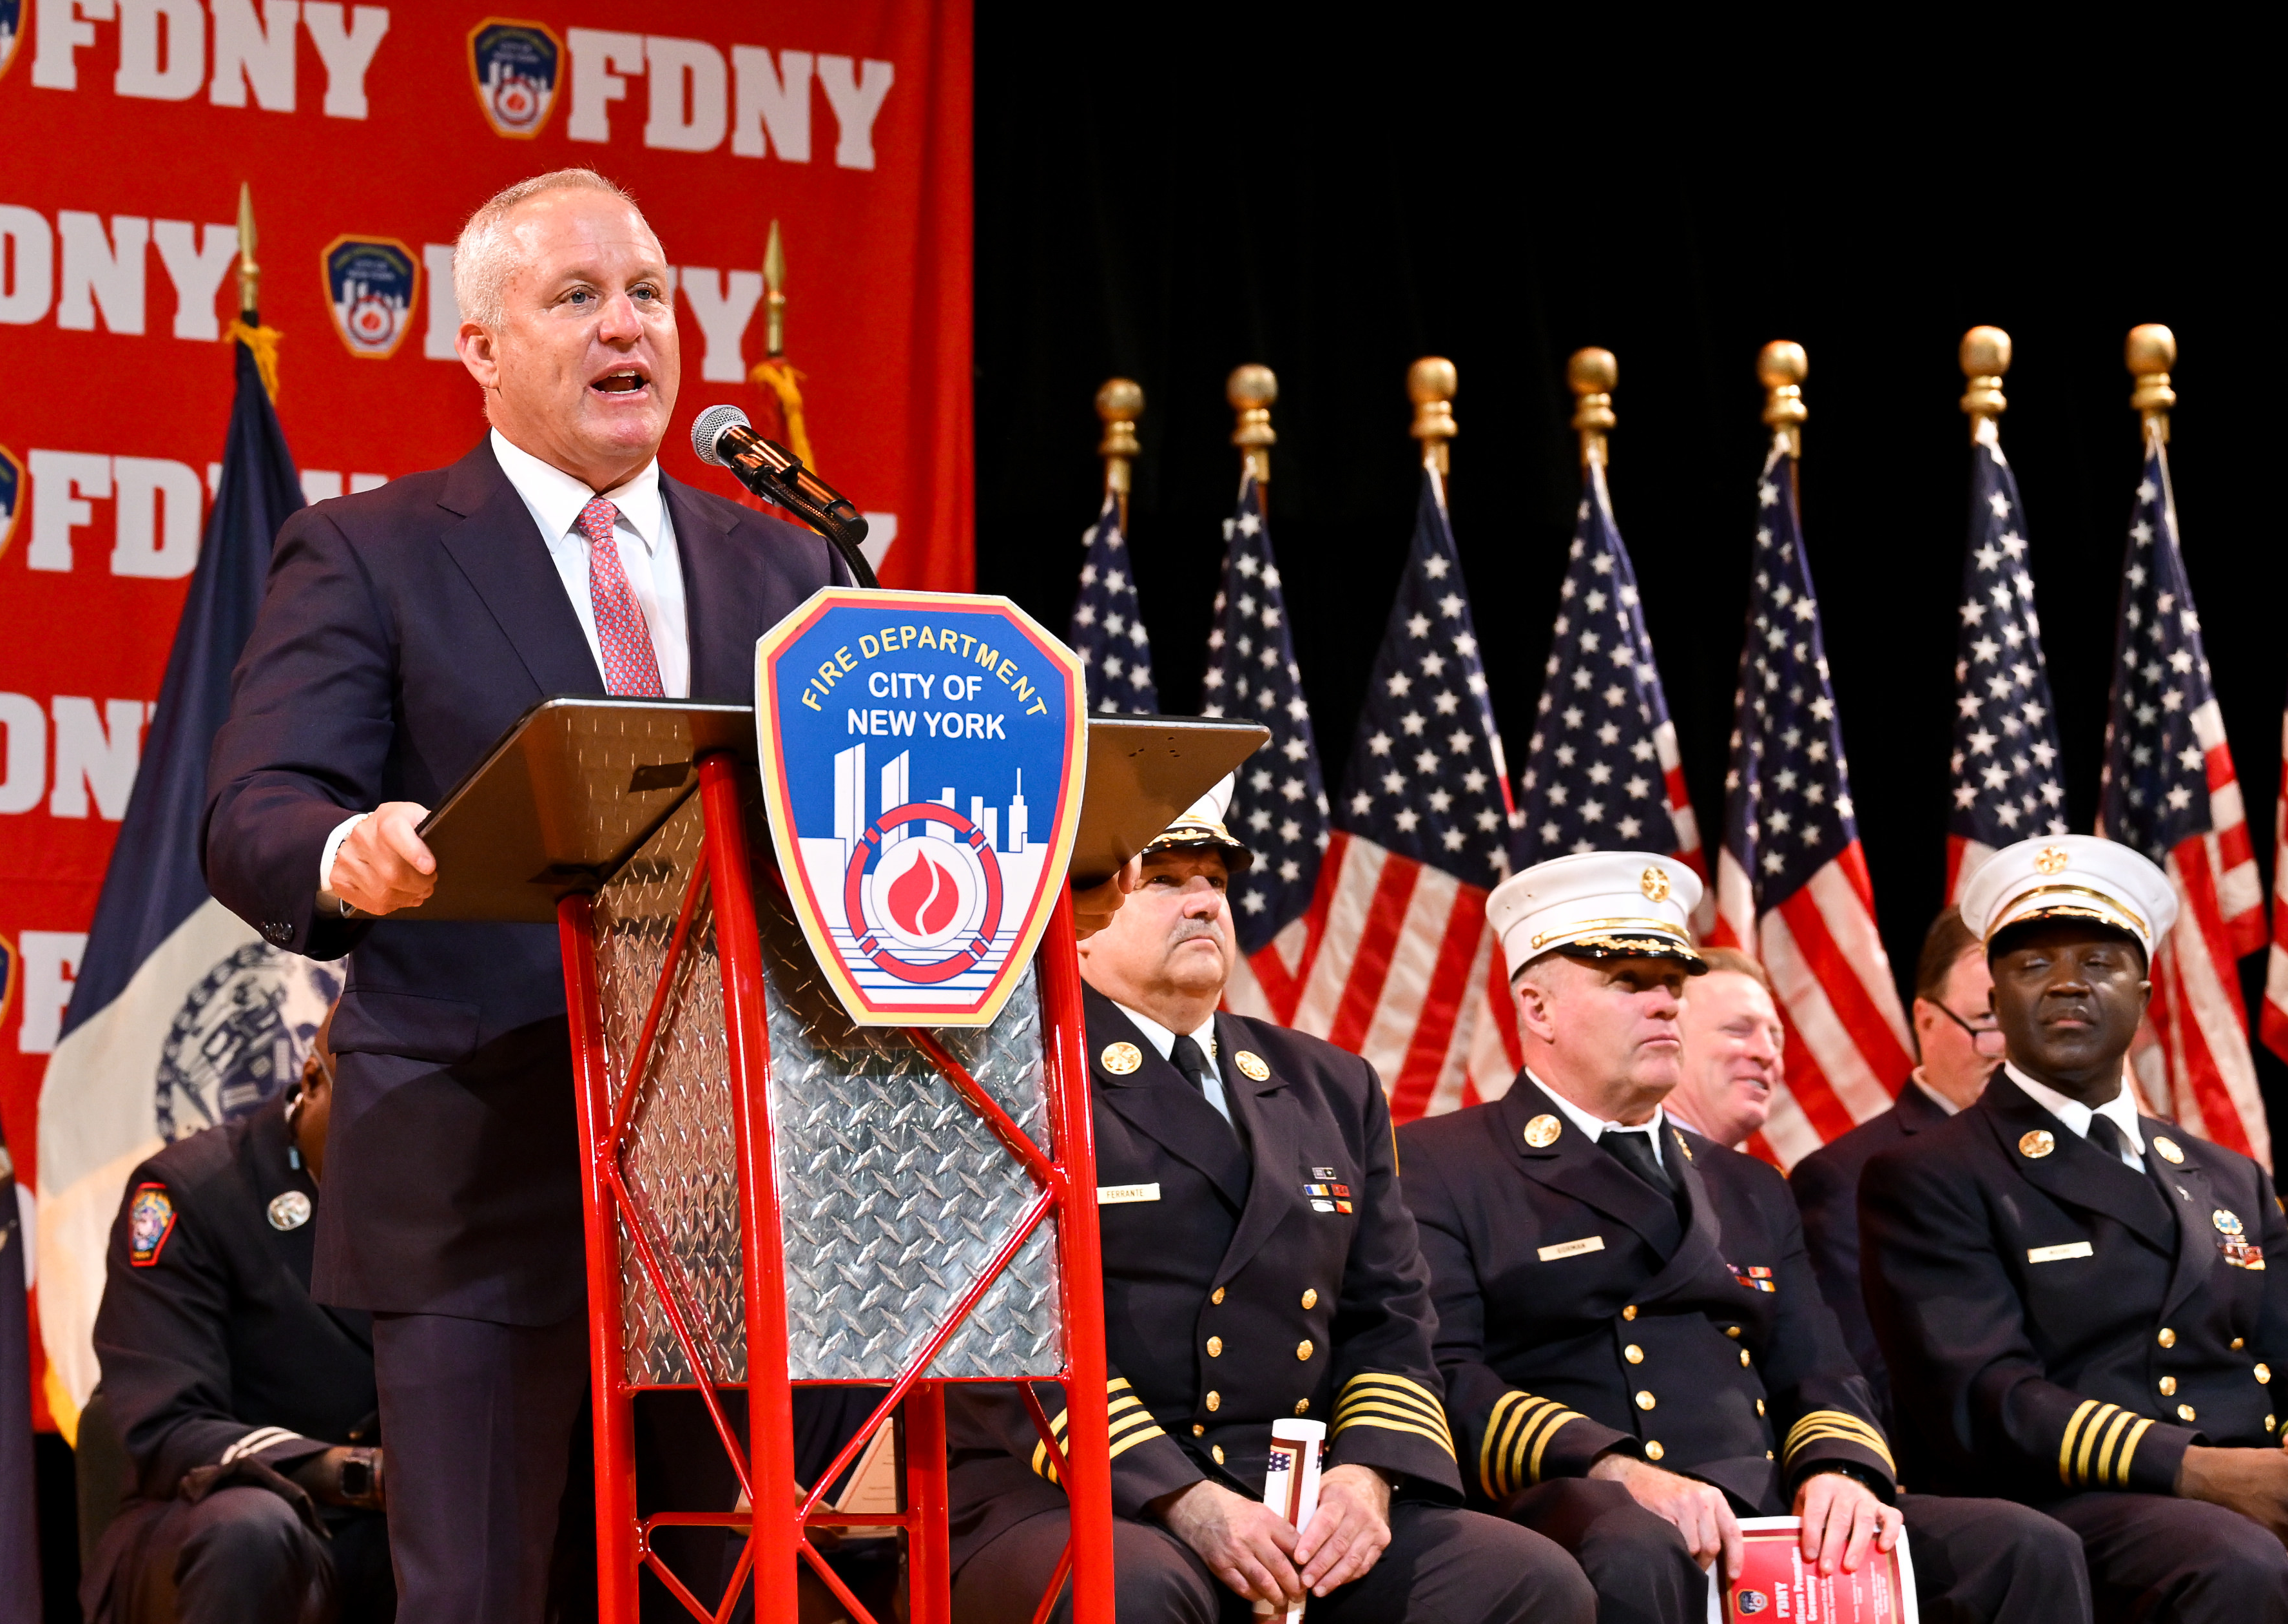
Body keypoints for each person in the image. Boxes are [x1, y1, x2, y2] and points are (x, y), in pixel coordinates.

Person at [200, 168, 875, 1618]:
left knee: (736, 1592)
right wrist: (348, 851)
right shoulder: (371, 552)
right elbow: (252, 810)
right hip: (481, 1173)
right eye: (576, 297)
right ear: (484, 350)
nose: (626, 322)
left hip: (736, 1192)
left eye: (647, 291)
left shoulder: (790, 559)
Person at [945, 784, 1595, 1623]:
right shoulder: (1009, 1076)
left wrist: (1366, 1476)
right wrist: (1184, 1497)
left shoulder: (1331, 1083)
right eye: (1164, 878)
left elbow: (1389, 1314)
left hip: (1292, 1488)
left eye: (1215, 878)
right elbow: (1002, 1340)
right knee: (1135, 1592)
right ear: (1076, 918)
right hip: (1069, 1483)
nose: (1204, 901)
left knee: (1528, 1580)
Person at [1397, 850, 2089, 1624]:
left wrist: (1838, 1470)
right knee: (1636, 1545)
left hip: (1763, 1505)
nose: (1665, 1005)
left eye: (1670, 983)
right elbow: (1445, 1376)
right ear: (1537, 1008)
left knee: (2023, 1546)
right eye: (1628, 982)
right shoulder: (1440, 1161)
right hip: (1581, 1503)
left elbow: (1819, 1371)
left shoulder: (1748, 1183)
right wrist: (1615, 1468)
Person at [1861, 835, 2288, 1619]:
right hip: (2063, 1502)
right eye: (2032, 966)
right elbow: (1985, 1399)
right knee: (2235, 1561)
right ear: (1995, 992)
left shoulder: (2229, 1176)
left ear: (2144, 988)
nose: (2066, 985)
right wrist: (2202, 1472)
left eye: (2097, 963)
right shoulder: (1931, 1175)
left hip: (2247, 1476)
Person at [82, 1005, 393, 1624]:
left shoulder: (457, 1204)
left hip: (408, 1530)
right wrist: (364, 1475)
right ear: (312, 1083)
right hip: (226, 1518)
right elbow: (167, 1427)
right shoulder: (192, 1193)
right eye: (375, 1124)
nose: (399, 1150)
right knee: (251, 1529)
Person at [1790, 908, 1999, 1422]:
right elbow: (1868, 1373)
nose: (2010, 1048)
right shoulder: (1846, 1176)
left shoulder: (2076, 1159)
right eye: (1988, 1021)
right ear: (1926, 1019)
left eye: (2024, 1020)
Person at [1662, 947, 1782, 1150]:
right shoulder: (1614, 1169)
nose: (1767, 1053)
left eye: (1776, 1041)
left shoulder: (1762, 1180)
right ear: (1666, 1038)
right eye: (1738, 1030)